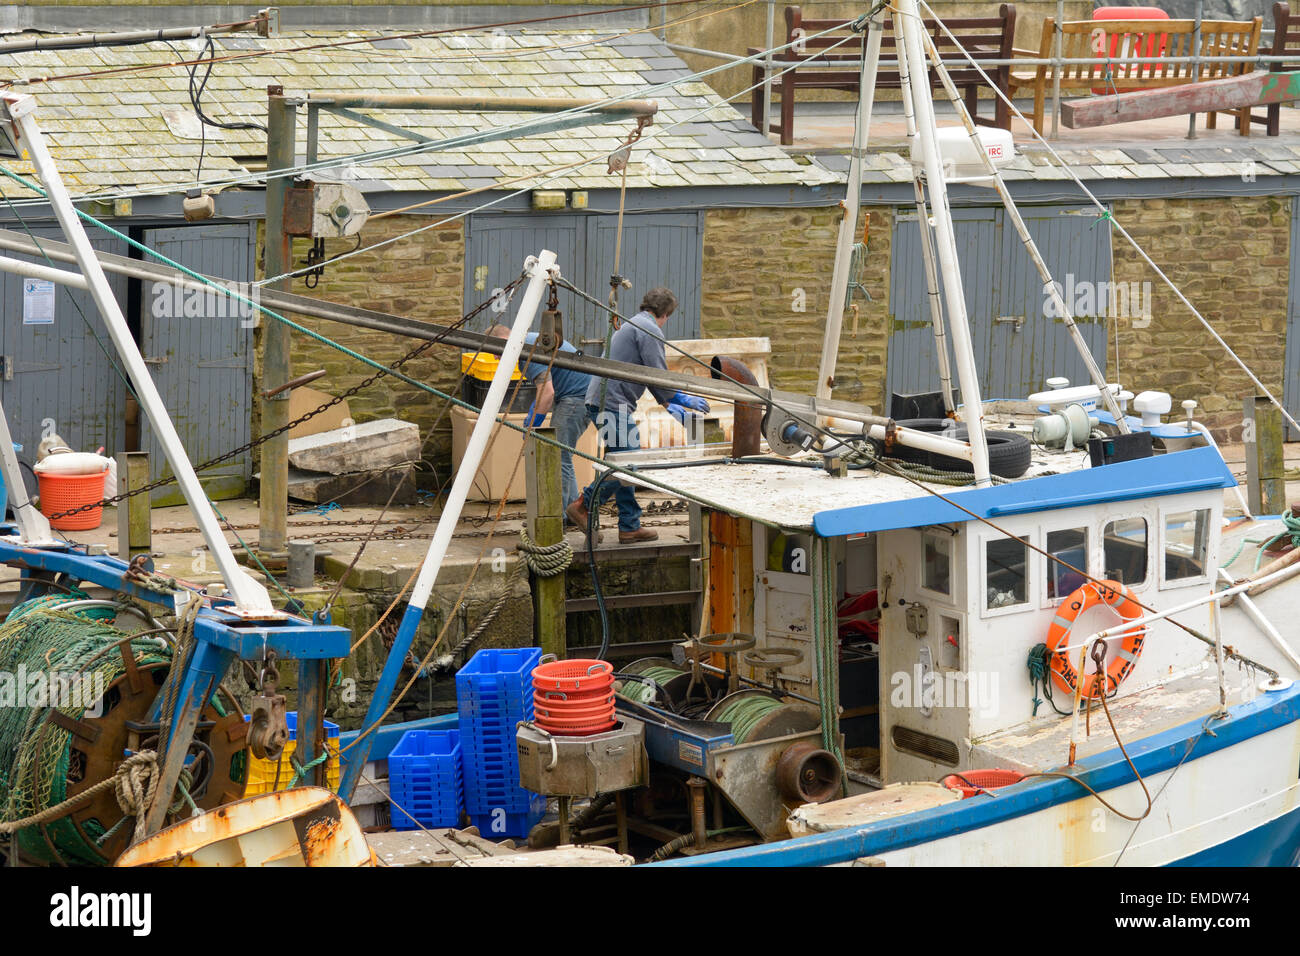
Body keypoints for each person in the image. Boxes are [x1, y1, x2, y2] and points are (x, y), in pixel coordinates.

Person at [564, 287, 710, 544]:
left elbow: (648, 375)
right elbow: (657, 374)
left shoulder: (634, 324)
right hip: (611, 404)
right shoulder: (650, 329)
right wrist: (679, 398)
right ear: (665, 314)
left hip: (602, 402)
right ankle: (583, 504)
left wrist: (667, 403)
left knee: (623, 459)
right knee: (629, 464)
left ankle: (629, 526)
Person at [485, 324, 592, 522]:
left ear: (503, 342)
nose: (495, 358)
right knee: (563, 456)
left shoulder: (527, 350)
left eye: (495, 352)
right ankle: (569, 513)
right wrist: (531, 418)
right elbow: (543, 389)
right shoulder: (529, 341)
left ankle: (555, 518)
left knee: (558, 456)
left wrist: (534, 423)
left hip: (576, 399)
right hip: (577, 396)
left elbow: (547, 393)